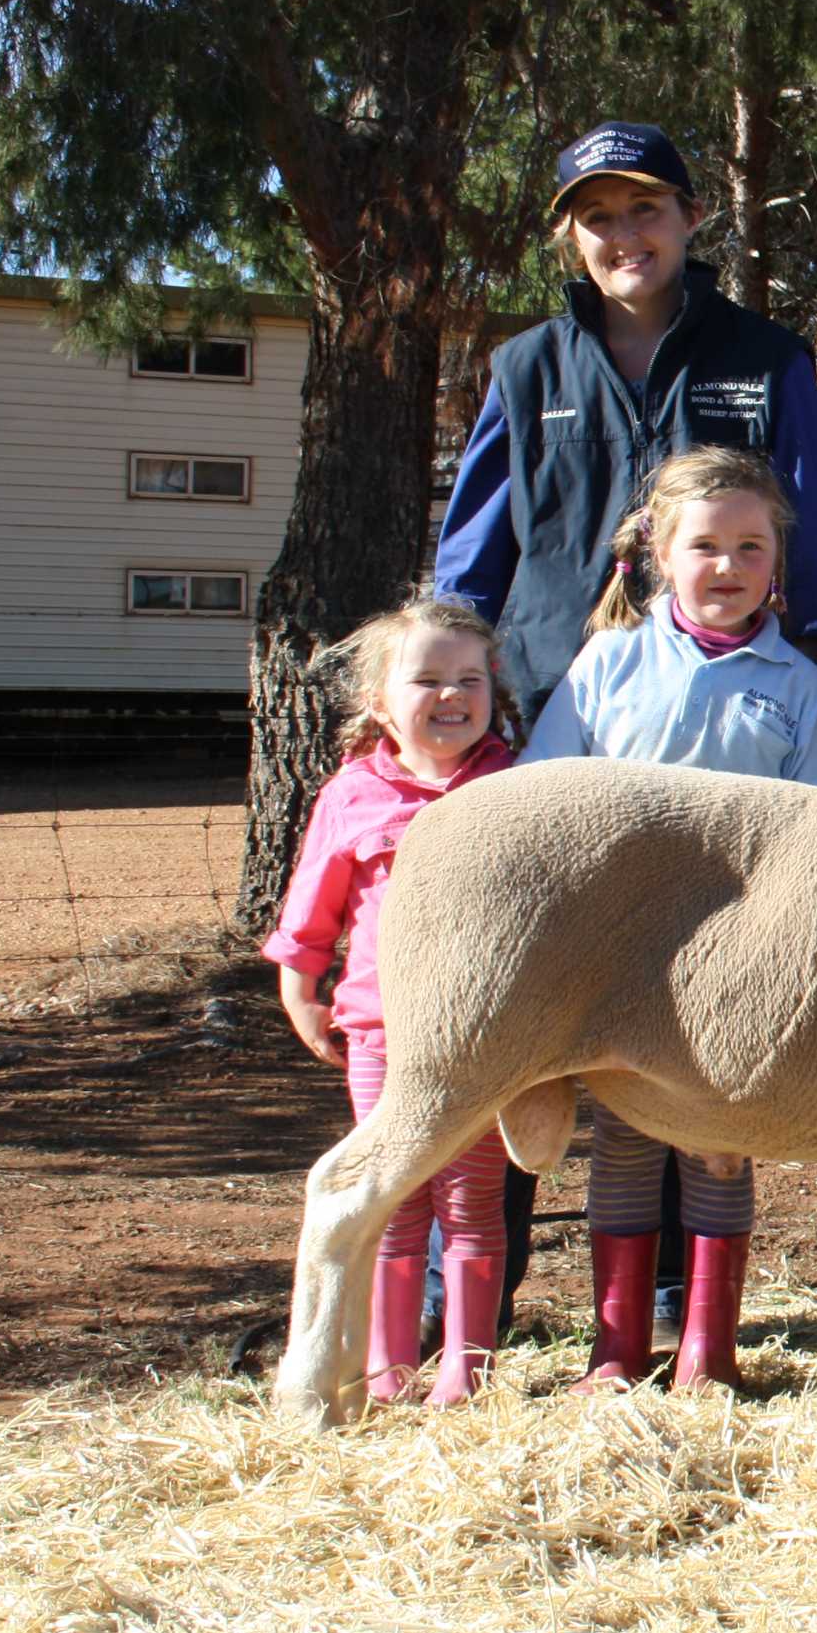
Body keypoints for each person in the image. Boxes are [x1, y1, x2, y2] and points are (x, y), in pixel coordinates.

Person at [431, 120, 817, 1345]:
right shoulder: (528, 369)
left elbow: (806, 528)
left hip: (725, 726)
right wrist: (447, 681)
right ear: (571, 233)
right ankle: (474, 1298)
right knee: (512, 1012)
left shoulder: (763, 359)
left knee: (684, 1023)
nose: (627, 235)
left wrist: (796, 663)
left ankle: (671, 1302)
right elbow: (474, 551)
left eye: (647, 210)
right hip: (570, 721)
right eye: (599, 216)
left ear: (690, 220)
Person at [522, 445, 817, 1392]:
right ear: (659, 551)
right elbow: (544, 795)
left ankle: (709, 1352)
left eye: (752, 548)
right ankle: (617, 1350)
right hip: (617, 961)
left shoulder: (796, 687)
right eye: (705, 545)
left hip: (736, 962)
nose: (729, 567)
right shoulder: (609, 663)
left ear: (777, 563)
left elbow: (816, 834)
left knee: (718, 1138)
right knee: (623, 1139)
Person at [261, 594, 521, 1406]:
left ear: (494, 689)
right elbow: (312, 908)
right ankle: (389, 1368)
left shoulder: (518, 787)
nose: (451, 696)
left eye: (469, 679)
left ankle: (465, 1372)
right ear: (379, 702)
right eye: (428, 679)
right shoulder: (353, 795)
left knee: (474, 1199)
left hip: (486, 1038)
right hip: (381, 1032)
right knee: (392, 1194)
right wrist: (302, 988)